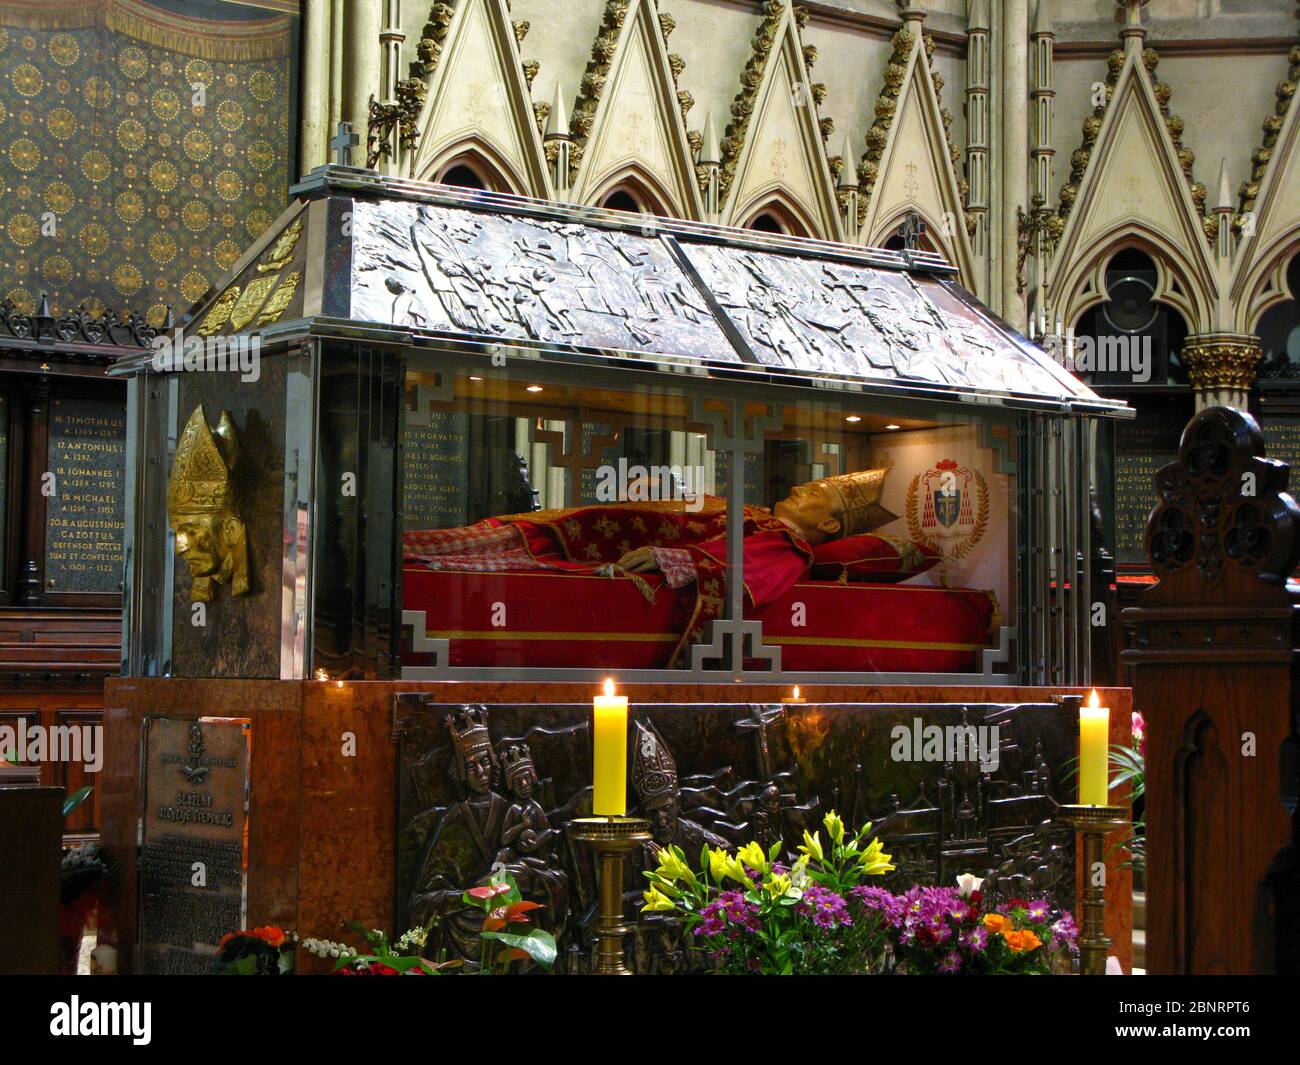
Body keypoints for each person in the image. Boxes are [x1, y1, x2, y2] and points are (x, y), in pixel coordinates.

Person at [404, 469, 893, 666]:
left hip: (581, 550)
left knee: (452, 554)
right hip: (577, 531)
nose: (802, 488)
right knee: (464, 540)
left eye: (815, 495)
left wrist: (668, 557)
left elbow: (742, 577)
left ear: (829, 522)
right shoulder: (762, 518)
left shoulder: (789, 546)